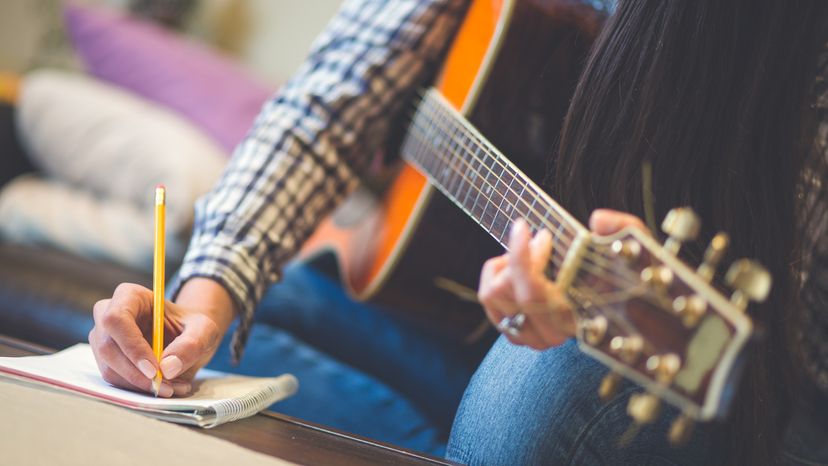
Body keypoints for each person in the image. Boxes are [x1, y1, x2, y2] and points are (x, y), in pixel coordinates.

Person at [88, 0, 828, 464]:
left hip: (734, 379)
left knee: (540, 394)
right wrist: (206, 298)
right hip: (473, 309)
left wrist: (579, 310)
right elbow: (326, 106)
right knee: (247, 305)